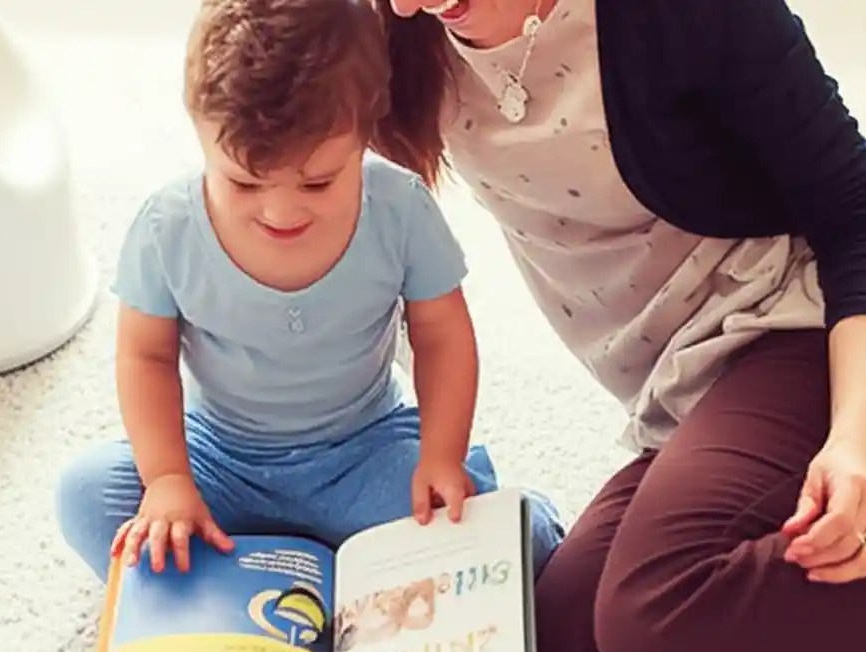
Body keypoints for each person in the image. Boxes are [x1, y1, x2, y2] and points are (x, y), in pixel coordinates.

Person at [369, 0, 866, 652]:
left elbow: (862, 217)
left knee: (658, 607)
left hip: (840, 343)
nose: (408, 5)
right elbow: (255, 101)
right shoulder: (388, 29)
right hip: (695, 394)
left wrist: (856, 448)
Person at [55, 0, 564, 593]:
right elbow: (144, 355)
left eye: (319, 182)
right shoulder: (167, 227)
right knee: (87, 496)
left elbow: (442, 335)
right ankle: (295, 573)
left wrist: (441, 456)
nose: (281, 210)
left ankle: (286, 561)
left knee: (515, 546)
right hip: (218, 459)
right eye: (243, 182)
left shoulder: (398, 209)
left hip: (364, 452)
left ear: (365, 132)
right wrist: (168, 478)